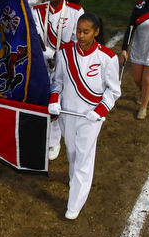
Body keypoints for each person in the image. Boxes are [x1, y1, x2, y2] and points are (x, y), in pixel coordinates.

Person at [47, 14, 120, 219]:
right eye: (78, 30)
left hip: (90, 117)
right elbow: (58, 81)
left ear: (96, 32)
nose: (80, 35)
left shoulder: (107, 57)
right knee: (72, 153)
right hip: (67, 114)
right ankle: (74, 181)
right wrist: (54, 99)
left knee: (83, 159)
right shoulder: (65, 52)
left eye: (86, 31)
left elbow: (113, 91)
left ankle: (74, 203)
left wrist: (99, 111)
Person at [32, 0, 84, 160]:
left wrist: (59, 56)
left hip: (65, 63)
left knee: (58, 102)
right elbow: (35, 37)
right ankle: (43, 137)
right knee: (42, 99)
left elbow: (77, 39)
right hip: (42, 63)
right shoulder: (37, 10)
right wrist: (46, 54)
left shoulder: (76, 11)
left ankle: (55, 140)